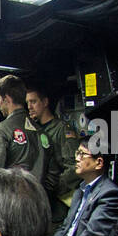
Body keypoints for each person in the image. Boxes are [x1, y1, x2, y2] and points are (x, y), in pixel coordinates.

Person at [43, 139, 118, 236]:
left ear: (99, 162)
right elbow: (65, 226)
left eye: (82, 154)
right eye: (77, 153)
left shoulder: (109, 194)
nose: (77, 158)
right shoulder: (81, 189)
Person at [24, 82, 81, 225]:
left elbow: (74, 167)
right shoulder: (33, 130)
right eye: (27, 103)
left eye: (33, 101)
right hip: (38, 206)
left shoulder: (62, 129)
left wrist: (51, 188)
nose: (29, 107)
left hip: (57, 205)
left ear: (45, 102)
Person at [0, 75, 45, 181]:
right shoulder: (41, 132)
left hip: (10, 195)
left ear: (7, 99)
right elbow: (52, 174)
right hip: (38, 195)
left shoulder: (2, 130)